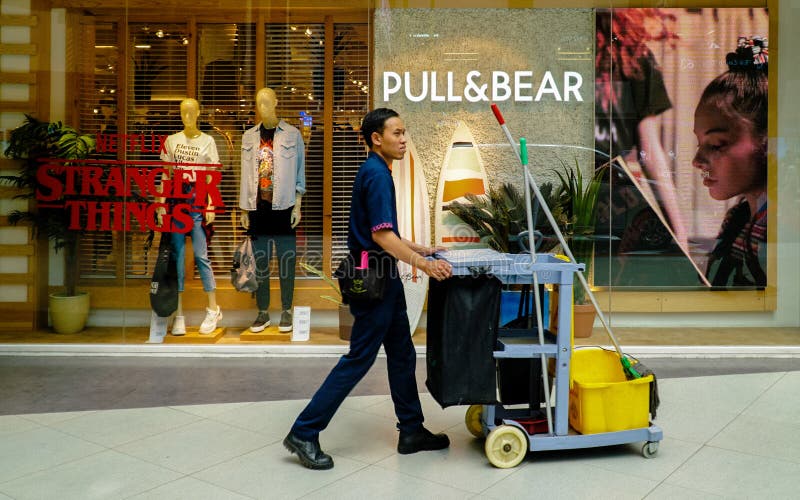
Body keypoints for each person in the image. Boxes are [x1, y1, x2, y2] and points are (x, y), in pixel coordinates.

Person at [283, 108, 453, 470]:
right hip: (374, 280)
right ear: (377, 138)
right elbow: (380, 236)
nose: (404, 139)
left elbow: (383, 233)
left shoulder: (378, 170)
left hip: (382, 276)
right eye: (397, 133)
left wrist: (418, 247)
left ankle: (411, 430)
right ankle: (304, 430)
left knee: (403, 353)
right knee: (359, 358)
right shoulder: (376, 174)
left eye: (405, 132)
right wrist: (424, 265)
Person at [594, 8, 687, 248]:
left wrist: (678, 228)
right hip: (570, 188)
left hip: (614, 198)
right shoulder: (566, 50)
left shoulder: (634, 57)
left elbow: (651, 149)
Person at [692, 38, 768, 288]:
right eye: (698, 143)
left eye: (715, 145)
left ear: (767, 140)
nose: (697, 161)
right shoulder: (739, 217)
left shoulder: (780, 229)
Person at [239, 88, 305, 333]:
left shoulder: (292, 134)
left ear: (276, 102)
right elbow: (244, 174)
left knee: (287, 262)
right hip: (258, 209)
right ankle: (263, 312)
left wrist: (298, 203)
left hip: (284, 206)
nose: (263, 106)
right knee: (261, 262)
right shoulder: (248, 137)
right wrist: (244, 209)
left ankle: (287, 310)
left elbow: (300, 170)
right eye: (259, 103)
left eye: (267, 102)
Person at [158, 98, 222, 335]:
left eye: (191, 112)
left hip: (197, 196)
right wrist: (161, 203)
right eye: (183, 112)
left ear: (198, 113)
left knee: (201, 254)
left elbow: (211, 177)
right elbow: (166, 174)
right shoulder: (171, 140)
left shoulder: (208, 141)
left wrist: (211, 204)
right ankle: (179, 313)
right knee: (177, 255)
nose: (187, 117)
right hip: (176, 197)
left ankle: (213, 307)